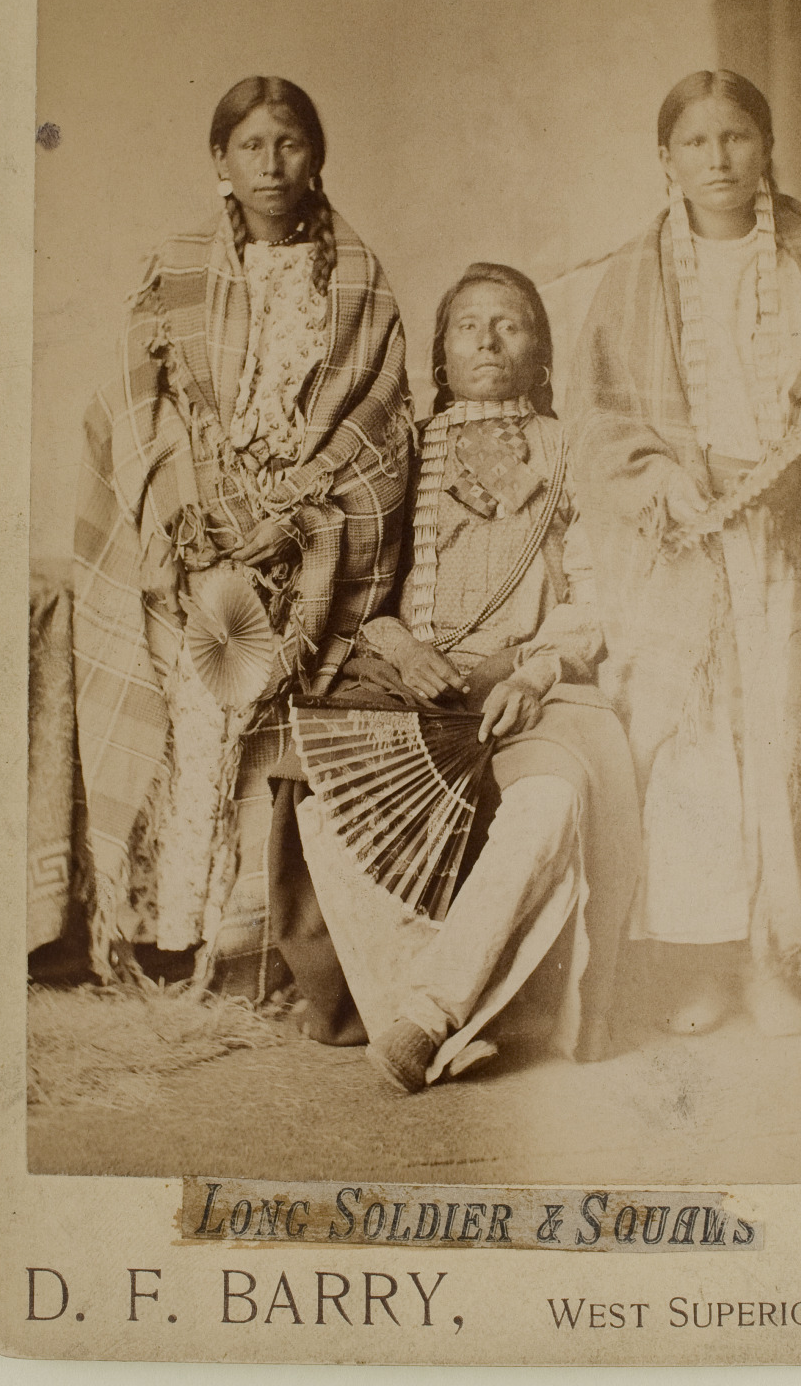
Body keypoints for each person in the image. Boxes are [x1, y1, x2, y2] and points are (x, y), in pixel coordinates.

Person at [566, 69, 801, 1038]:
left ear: (767, 147)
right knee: (698, 760)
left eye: (737, 137)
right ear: (665, 158)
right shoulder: (634, 277)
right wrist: (663, 477)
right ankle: (703, 964)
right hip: (685, 554)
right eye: (696, 142)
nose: (718, 159)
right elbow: (598, 417)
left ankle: (777, 961)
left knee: (791, 740)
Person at [73, 76, 411, 988]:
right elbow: (143, 404)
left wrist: (297, 514)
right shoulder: (177, 268)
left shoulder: (357, 276)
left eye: (289, 143)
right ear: (220, 160)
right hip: (199, 538)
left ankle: (250, 945)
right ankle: (174, 931)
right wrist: (194, 516)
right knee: (197, 721)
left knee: (269, 733)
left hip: (309, 539)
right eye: (251, 145)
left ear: (316, 155)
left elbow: (377, 416)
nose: (271, 164)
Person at [288, 262, 641, 1090]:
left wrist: (536, 672)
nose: (488, 341)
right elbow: (357, 590)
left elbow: (594, 591)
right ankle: (439, 1010)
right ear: (441, 354)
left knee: (551, 801)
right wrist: (405, 650)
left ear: (541, 351)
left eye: (510, 324)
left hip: (532, 685)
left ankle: (428, 1015)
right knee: (320, 801)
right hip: (406, 682)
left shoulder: (574, 451)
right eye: (468, 325)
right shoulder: (398, 453)